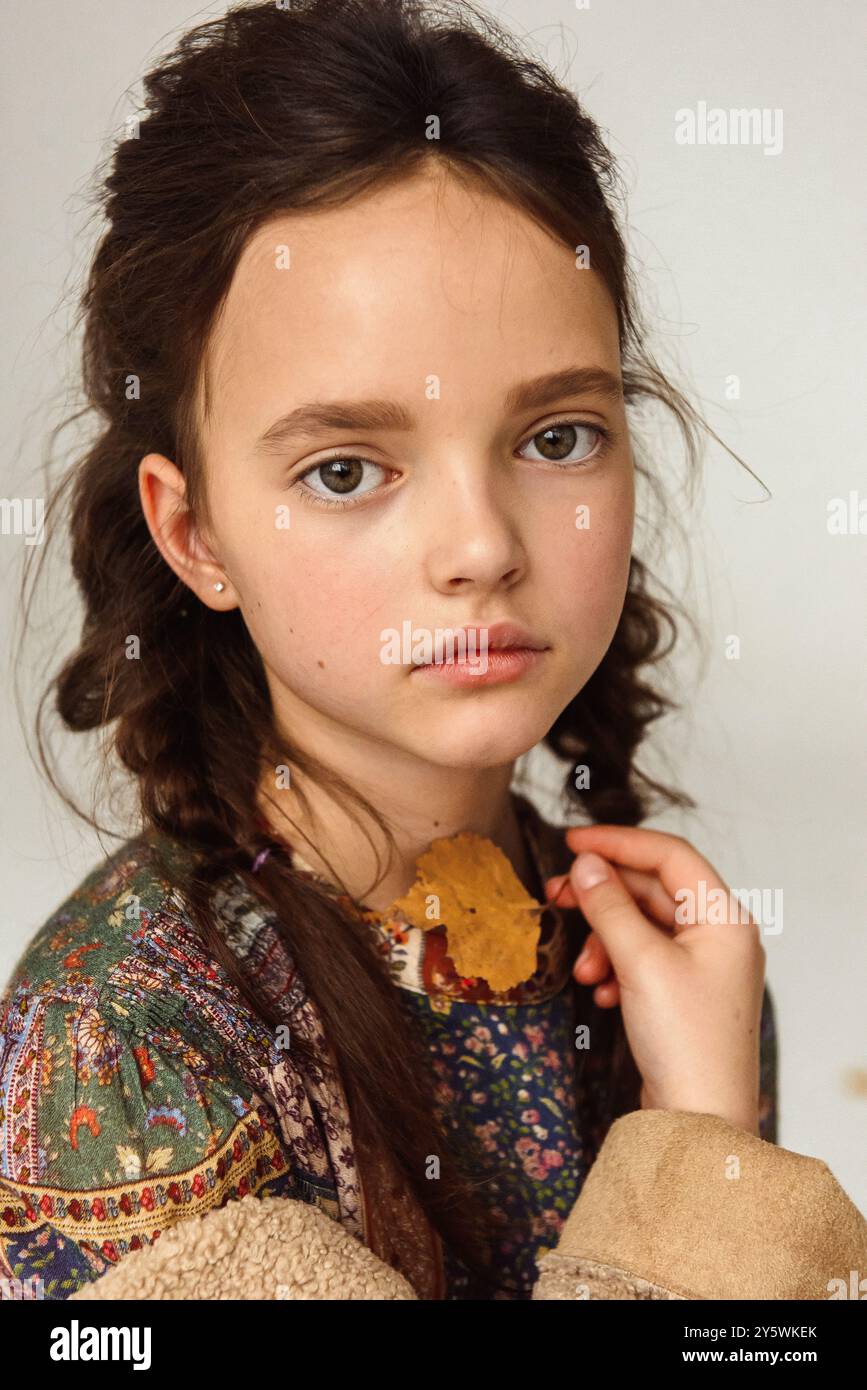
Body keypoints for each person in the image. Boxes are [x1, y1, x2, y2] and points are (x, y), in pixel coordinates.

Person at [2, 0, 863, 1301]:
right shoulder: (120, 1042)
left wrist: (702, 1108)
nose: (480, 547)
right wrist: (698, 1151)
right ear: (196, 535)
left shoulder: (659, 983)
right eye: (347, 468)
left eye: (557, 437)